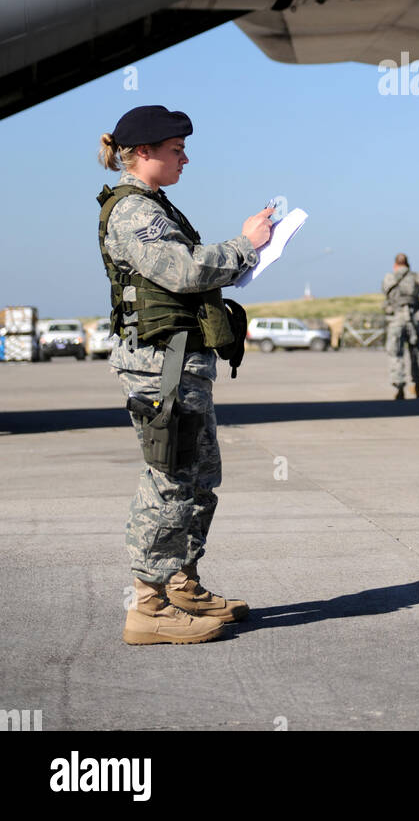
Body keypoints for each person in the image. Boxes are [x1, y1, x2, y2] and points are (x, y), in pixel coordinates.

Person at [96, 105, 273, 645]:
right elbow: (184, 269)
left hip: (179, 363)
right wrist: (246, 245)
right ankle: (147, 606)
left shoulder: (154, 205)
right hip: (160, 367)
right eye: (176, 150)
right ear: (143, 152)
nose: (185, 158)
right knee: (169, 480)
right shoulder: (132, 211)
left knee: (198, 479)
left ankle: (179, 583)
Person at [382, 253, 419, 400]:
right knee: (416, 353)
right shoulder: (417, 277)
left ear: (395, 264)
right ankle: (417, 385)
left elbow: (386, 293)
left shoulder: (390, 277)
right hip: (414, 319)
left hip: (396, 319)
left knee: (396, 354)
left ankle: (399, 387)